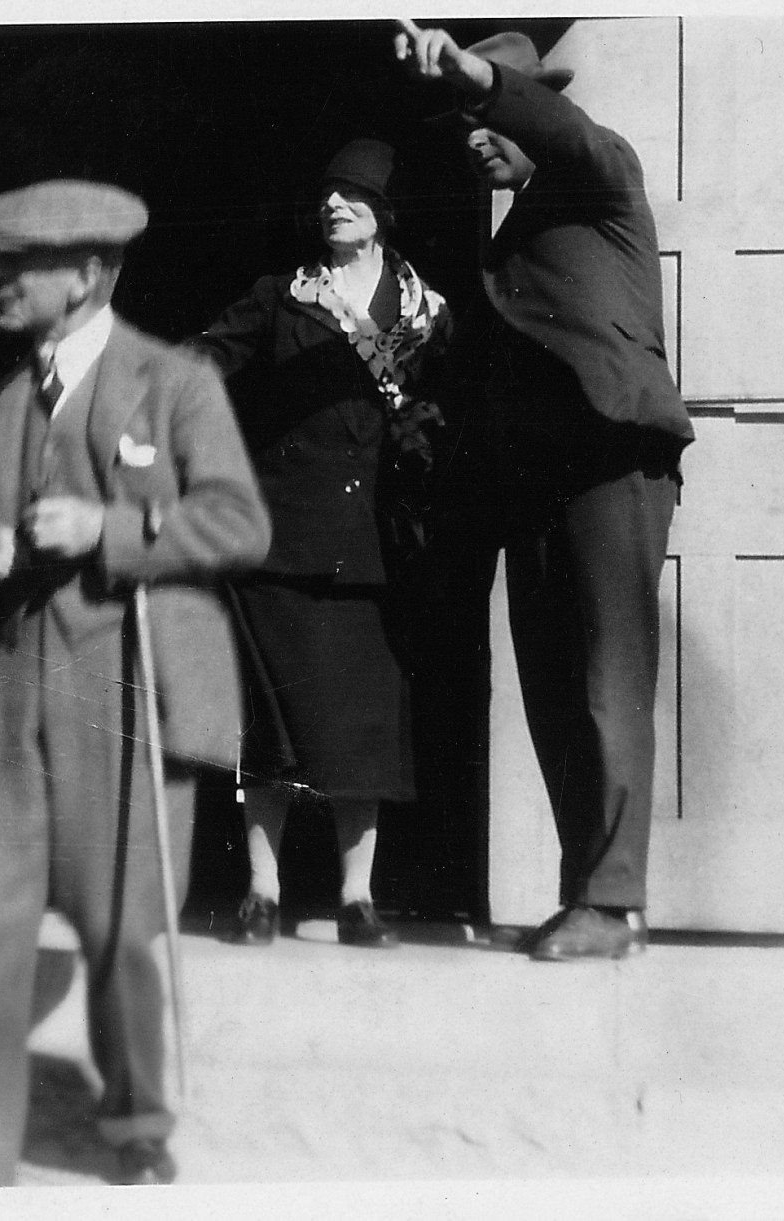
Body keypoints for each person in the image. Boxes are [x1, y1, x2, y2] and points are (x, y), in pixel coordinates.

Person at [0, 180, 270, 1186]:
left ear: (85, 274)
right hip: (6, 689)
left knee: (122, 929)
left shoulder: (175, 383)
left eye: (16, 263)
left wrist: (113, 531)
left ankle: (136, 1131)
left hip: (129, 685)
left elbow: (240, 522)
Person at [393, 25, 692, 960]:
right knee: (555, 689)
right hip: (535, 482)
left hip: (610, 458)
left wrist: (475, 78)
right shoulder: (507, 247)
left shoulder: (602, 176)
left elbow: (561, 132)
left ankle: (614, 897)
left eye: (488, 117)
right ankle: (591, 898)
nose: (473, 133)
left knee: (608, 681)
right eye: (462, 124)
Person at [187, 138, 451, 950]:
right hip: (284, 532)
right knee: (273, 729)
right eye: (328, 194)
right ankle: (262, 892)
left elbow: (451, 411)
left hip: (372, 540)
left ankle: (357, 898)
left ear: (383, 212)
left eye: (353, 194)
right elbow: (201, 363)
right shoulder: (281, 296)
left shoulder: (428, 314)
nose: (334, 205)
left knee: (360, 730)